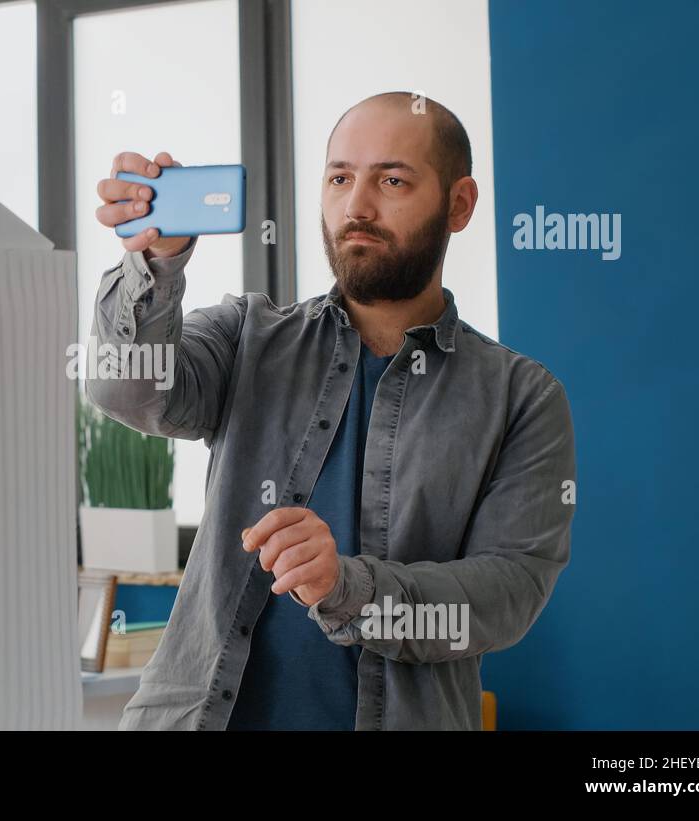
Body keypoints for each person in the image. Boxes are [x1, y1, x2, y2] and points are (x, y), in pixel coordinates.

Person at [85, 91, 576, 730]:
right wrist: (152, 262)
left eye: (392, 181)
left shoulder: (523, 397)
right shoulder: (247, 334)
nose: (357, 207)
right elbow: (125, 391)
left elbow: (506, 594)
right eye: (340, 178)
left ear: (459, 205)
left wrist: (347, 588)